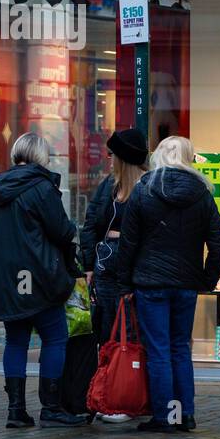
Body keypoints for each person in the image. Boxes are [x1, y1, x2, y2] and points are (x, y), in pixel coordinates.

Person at [115, 135, 220, 433]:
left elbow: (128, 242)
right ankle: (185, 413)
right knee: (180, 348)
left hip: (150, 283)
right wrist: (206, 279)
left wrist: (124, 283)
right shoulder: (202, 192)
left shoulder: (144, 190)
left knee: (158, 350)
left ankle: (165, 416)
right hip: (185, 284)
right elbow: (219, 242)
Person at [0, 132, 87, 428]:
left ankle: (16, 409)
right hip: (39, 276)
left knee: (16, 342)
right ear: (42, 156)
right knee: (56, 338)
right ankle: (51, 408)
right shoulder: (42, 187)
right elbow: (62, 230)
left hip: (8, 278)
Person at [80, 128, 149, 345]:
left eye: (112, 154)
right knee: (106, 324)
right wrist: (89, 265)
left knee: (132, 326)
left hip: (137, 264)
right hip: (106, 263)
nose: (109, 159)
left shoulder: (147, 187)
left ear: (123, 158)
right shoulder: (108, 187)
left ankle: (128, 373)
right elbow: (90, 224)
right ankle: (109, 374)